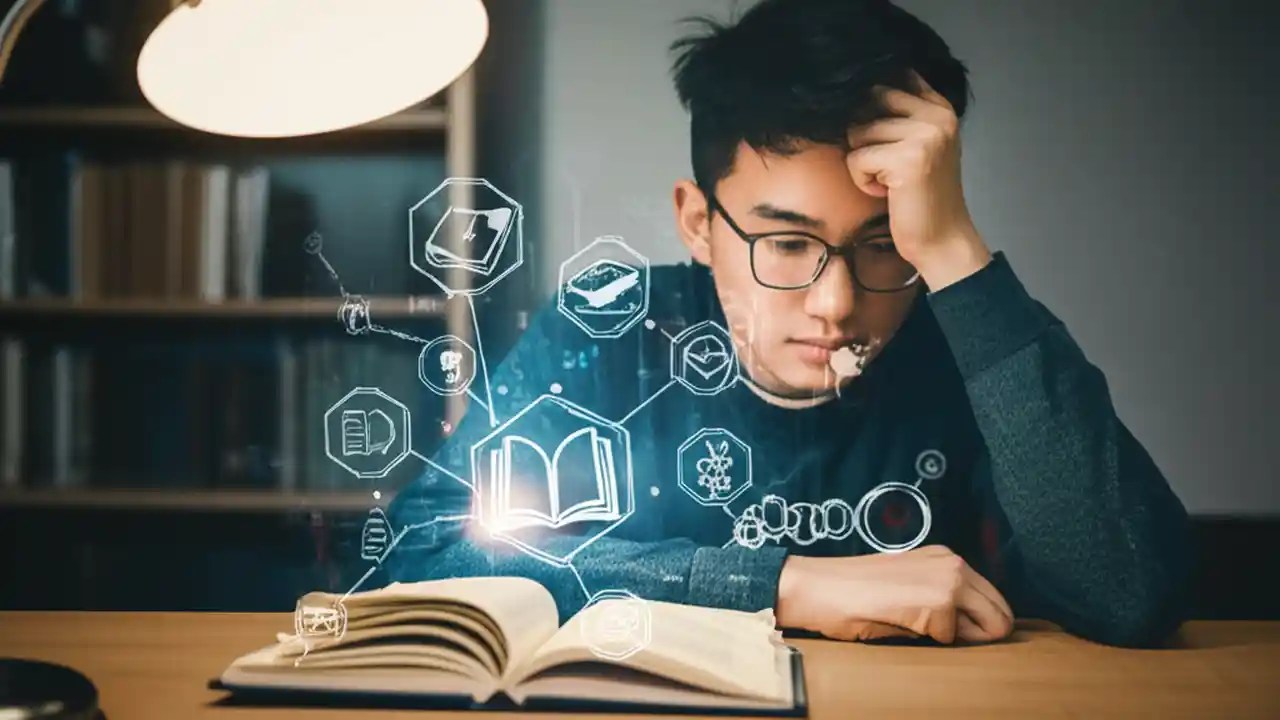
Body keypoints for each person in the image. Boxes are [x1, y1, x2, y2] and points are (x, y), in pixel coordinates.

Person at [387, 0, 1191, 648]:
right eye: (786, 242)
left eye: (885, 245)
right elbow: (420, 553)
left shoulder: (961, 335)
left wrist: (950, 252)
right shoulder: (611, 327)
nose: (836, 303)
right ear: (698, 223)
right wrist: (784, 583)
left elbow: (1131, 597)